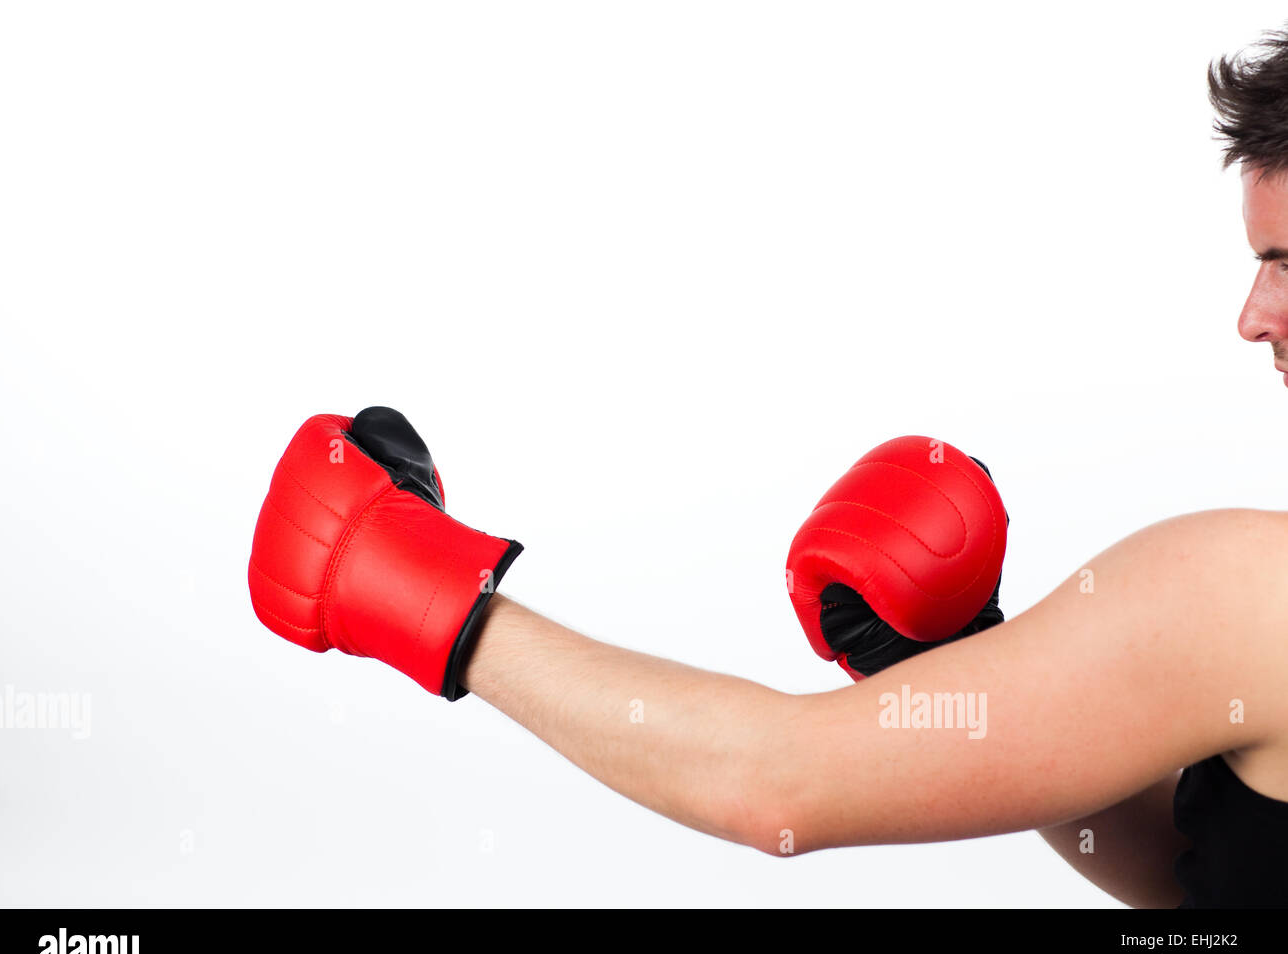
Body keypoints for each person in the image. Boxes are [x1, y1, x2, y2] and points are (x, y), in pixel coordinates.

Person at [248, 26, 1288, 909]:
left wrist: (419, 590)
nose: (1249, 318)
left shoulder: (1251, 593)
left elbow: (772, 780)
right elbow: (1202, 883)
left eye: (1282, 265)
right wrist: (966, 669)